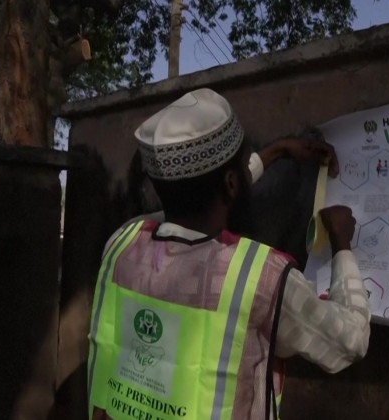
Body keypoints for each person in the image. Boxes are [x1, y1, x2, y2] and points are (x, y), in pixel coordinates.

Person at [87, 88, 371, 420]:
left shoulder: (123, 242)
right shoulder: (259, 280)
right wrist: (341, 244)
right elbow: (350, 341)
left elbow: (184, 204)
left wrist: (275, 152)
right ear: (232, 184)